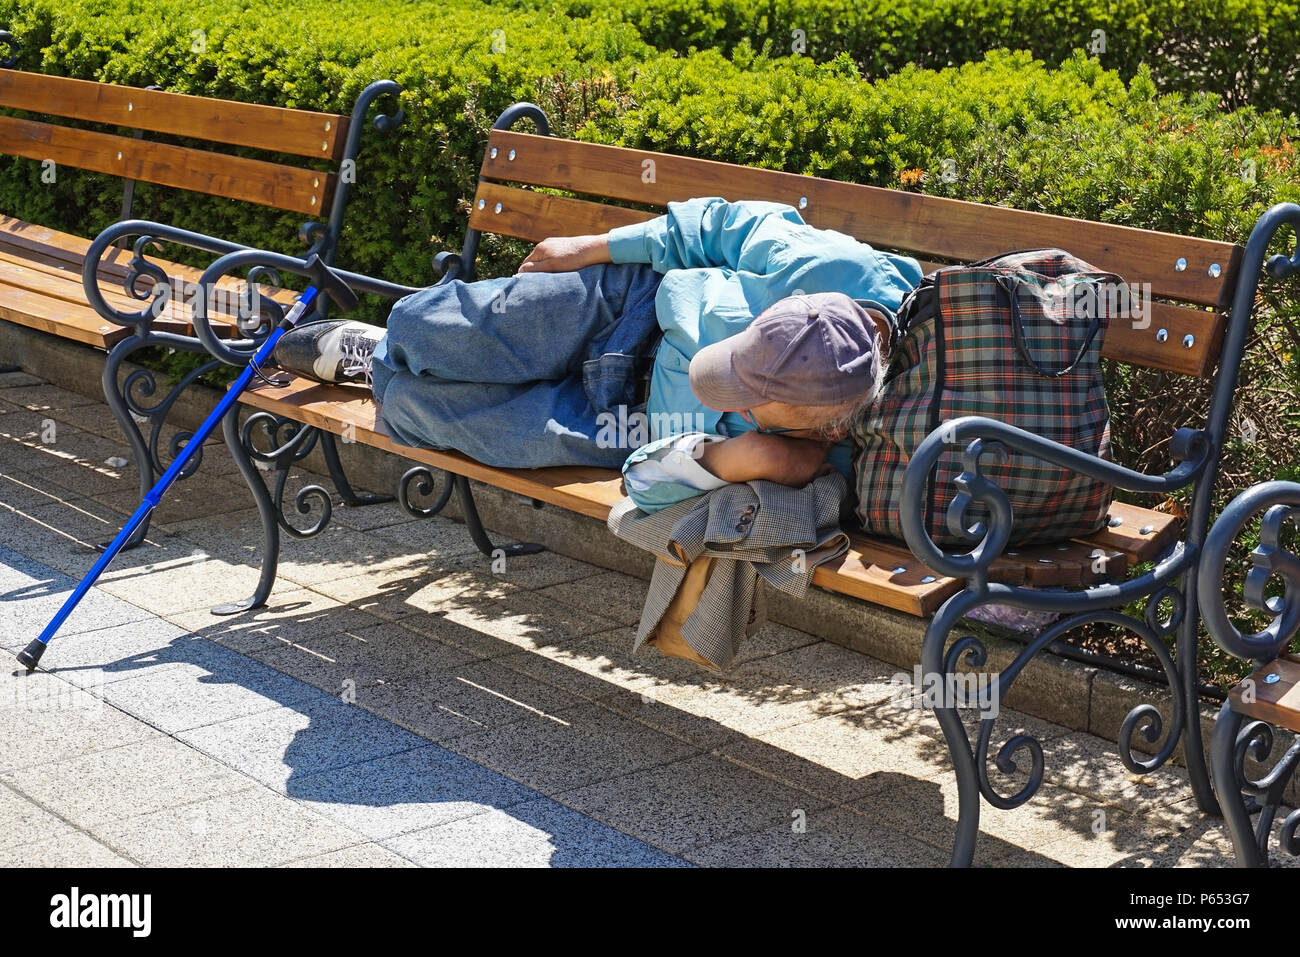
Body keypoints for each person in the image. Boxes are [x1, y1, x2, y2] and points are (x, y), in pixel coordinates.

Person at [272, 196, 923, 509]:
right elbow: (719, 227)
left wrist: (730, 458)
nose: (719, 388)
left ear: (828, 421)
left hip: (631, 424)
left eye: (745, 396)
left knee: (435, 419)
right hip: (632, 306)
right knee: (424, 326)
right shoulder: (835, 271)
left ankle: (378, 367)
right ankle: (394, 347)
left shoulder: (829, 455)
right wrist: (592, 247)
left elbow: (642, 484)